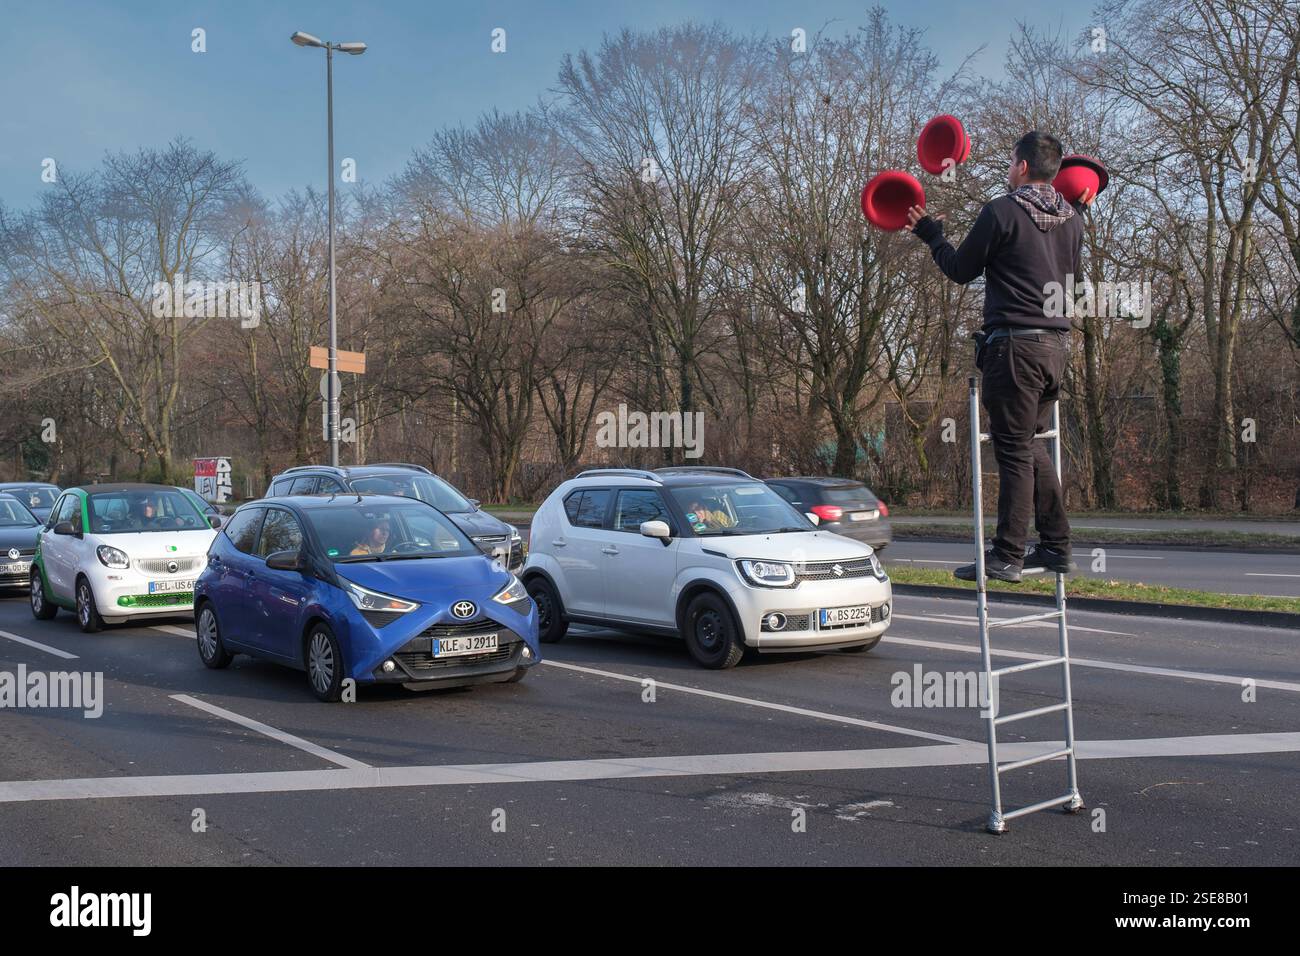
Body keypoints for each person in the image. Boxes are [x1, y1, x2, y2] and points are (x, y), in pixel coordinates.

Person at [907, 131, 1093, 582]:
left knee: (1012, 451)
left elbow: (959, 269)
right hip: (1055, 349)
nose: (1009, 169)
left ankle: (1007, 554)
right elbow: (1073, 279)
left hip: (1014, 349)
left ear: (1023, 166)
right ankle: (1056, 547)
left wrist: (931, 233)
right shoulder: (1074, 220)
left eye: (1012, 162)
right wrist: (1078, 214)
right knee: (1030, 444)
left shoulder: (1002, 210)